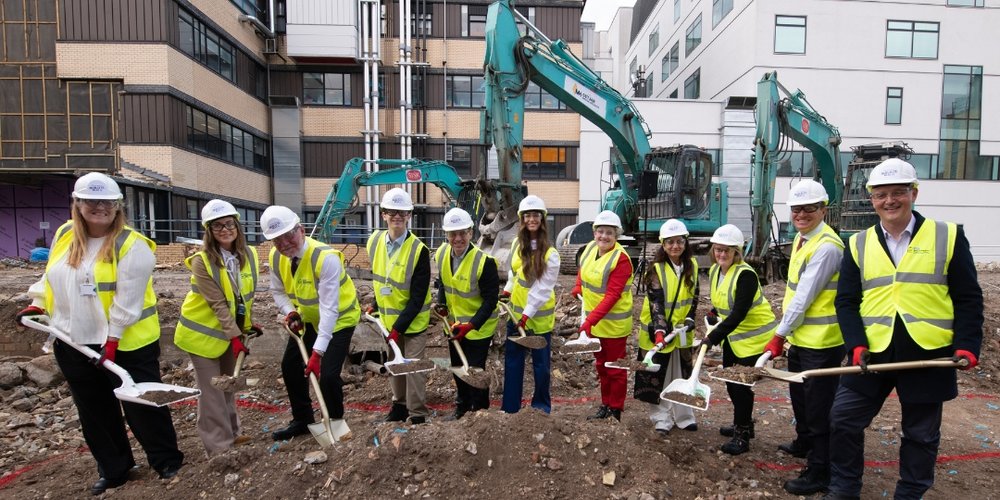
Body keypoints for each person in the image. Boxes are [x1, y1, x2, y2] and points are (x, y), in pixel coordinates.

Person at [16, 172, 183, 495]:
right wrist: (38, 304)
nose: (99, 207)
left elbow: (128, 300)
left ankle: (166, 461)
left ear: (117, 206)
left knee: (142, 404)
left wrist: (113, 339)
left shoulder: (132, 245)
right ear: (77, 204)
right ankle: (115, 469)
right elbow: (50, 275)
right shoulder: (65, 234)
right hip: (73, 339)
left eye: (106, 201)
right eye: (91, 201)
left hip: (127, 343)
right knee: (93, 409)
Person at [827, 159, 983, 500]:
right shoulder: (858, 243)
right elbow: (847, 302)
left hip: (928, 352)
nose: (890, 201)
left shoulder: (948, 236)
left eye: (899, 192)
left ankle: (910, 493)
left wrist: (968, 345)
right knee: (843, 420)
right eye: (881, 194)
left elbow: (968, 298)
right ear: (871, 199)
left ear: (914, 193)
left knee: (921, 435)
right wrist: (854, 343)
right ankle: (844, 488)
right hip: (870, 352)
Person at [765, 180, 846, 495]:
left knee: (818, 409)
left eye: (809, 209)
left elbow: (804, 298)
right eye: (797, 209)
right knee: (800, 399)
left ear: (823, 210)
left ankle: (820, 470)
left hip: (822, 343)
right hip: (801, 339)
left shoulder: (826, 246)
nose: (801, 214)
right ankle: (804, 443)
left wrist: (778, 335)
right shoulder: (802, 239)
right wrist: (787, 336)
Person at [262, 205, 360, 440]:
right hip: (307, 319)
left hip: (339, 319)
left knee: (328, 375)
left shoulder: (326, 258)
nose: (285, 243)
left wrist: (317, 353)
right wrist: (290, 311)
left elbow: (329, 309)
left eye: (289, 235)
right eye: (277, 239)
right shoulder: (277, 257)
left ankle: (336, 423)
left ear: (302, 230)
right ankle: (302, 419)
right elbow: (278, 292)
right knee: (290, 366)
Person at [173, 199, 260, 455]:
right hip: (203, 334)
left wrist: (246, 325)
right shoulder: (202, 261)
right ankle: (219, 447)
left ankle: (233, 434)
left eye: (229, 224)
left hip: (230, 332)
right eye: (217, 226)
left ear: (237, 225)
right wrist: (235, 335)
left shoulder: (249, 256)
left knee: (228, 385)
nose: (225, 230)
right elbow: (217, 303)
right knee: (212, 393)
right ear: (209, 231)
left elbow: (243, 296)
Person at [701, 224, 777, 455]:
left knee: (741, 387)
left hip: (754, 339)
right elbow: (723, 301)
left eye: (727, 250)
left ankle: (742, 434)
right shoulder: (715, 271)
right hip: (734, 339)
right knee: (731, 384)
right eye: (718, 250)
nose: (721, 254)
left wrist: (712, 337)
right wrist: (714, 312)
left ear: (737, 252)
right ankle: (743, 424)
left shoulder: (745, 275)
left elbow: (738, 313)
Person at [366, 188, 432, 424]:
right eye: (392, 212)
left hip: (412, 323)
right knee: (395, 365)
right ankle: (399, 406)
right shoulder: (374, 241)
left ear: (409, 216)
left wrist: (399, 328)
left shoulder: (419, 250)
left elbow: (417, 298)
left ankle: (417, 414)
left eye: (401, 212)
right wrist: (375, 304)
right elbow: (382, 279)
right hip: (389, 322)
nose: (396, 216)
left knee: (413, 370)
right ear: (383, 214)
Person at [433, 207, 499, 420]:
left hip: (479, 328)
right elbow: (443, 282)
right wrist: (441, 303)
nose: (458, 238)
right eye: (453, 234)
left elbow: (490, 301)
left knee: (475, 370)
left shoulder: (484, 262)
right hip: (453, 324)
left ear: (471, 233)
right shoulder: (442, 253)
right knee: (458, 367)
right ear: (447, 235)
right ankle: (462, 407)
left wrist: (471, 326)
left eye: (463, 233)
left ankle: (479, 411)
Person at [635, 219, 699, 435]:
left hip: (681, 332)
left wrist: (690, 318)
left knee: (681, 374)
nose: (675, 246)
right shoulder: (656, 269)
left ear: (685, 242)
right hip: (657, 332)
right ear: (663, 244)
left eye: (679, 241)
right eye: (670, 242)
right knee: (658, 376)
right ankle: (661, 418)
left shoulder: (693, 266)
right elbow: (656, 303)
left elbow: (694, 296)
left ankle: (684, 416)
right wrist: (660, 332)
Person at [571, 210, 634, 421]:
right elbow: (583, 269)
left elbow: (613, 295)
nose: (603, 237)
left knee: (614, 368)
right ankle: (605, 404)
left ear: (616, 235)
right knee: (601, 367)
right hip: (596, 324)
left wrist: (588, 321)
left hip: (614, 326)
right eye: (600, 232)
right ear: (594, 233)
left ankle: (615, 410)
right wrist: (578, 285)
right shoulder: (591, 248)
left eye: (609, 233)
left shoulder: (621, 260)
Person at [501, 195, 560, 414]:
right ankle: (510, 407)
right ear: (522, 219)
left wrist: (526, 316)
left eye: (536, 215)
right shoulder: (517, 243)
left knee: (541, 367)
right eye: (528, 215)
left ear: (542, 219)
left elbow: (542, 289)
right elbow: (513, 272)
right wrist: (507, 291)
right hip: (516, 317)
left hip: (538, 319)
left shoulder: (551, 254)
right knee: (513, 363)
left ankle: (541, 407)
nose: (531, 219)